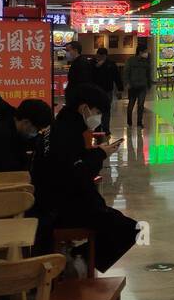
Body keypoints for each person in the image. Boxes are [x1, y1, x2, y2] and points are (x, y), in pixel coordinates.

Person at [30, 82, 137, 274]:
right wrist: (99, 155)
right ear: (84, 108)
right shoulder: (67, 133)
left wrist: (99, 153)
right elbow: (76, 174)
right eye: (97, 111)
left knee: (116, 222)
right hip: (62, 208)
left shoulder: (60, 126)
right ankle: (80, 261)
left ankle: (77, 257)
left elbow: (72, 164)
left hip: (50, 202)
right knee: (132, 229)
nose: (99, 117)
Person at [0, 97, 53, 173]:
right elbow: (13, 171)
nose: (37, 133)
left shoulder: (13, 127)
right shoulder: (0, 138)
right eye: (37, 129)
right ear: (26, 122)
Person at [93, 46, 123, 136]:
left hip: (107, 91)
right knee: (97, 110)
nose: (99, 58)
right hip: (96, 91)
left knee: (106, 110)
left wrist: (120, 89)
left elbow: (116, 77)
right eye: (98, 56)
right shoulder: (93, 63)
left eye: (101, 56)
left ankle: (106, 129)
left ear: (105, 56)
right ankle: (97, 128)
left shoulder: (111, 64)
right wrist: (96, 67)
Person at [124, 43, 153, 129]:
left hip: (142, 86)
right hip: (133, 86)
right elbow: (126, 72)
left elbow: (148, 74)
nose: (146, 53)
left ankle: (139, 123)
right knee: (131, 105)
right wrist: (127, 83)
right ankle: (129, 122)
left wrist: (149, 84)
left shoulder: (146, 62)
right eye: (145, 52)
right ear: (140, 52)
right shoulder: (131, 60)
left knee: (141, 105)